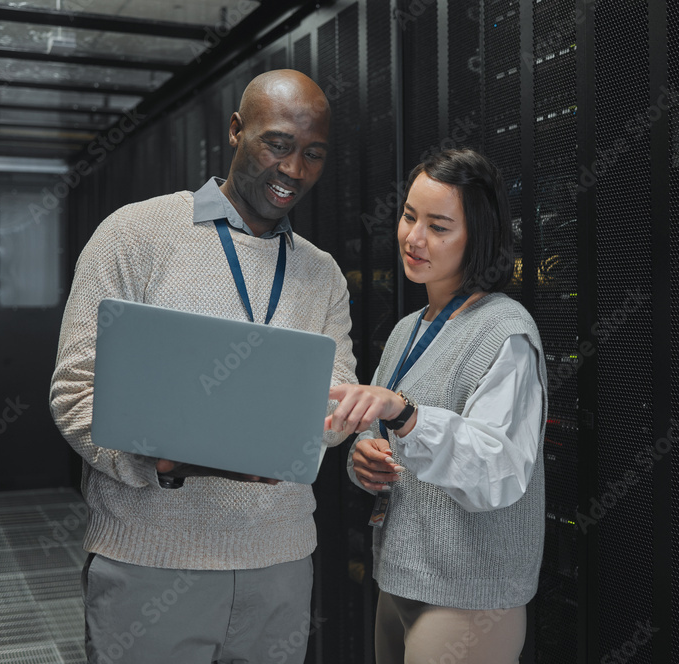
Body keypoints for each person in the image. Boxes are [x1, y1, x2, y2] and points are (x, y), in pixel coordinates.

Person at [49, 69, 357, 664]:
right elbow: (75, 390)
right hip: (150, 563)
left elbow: (337, 396)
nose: (294, 170)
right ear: (236, 131)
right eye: (278, 144)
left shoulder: (322, 273)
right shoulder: (134, 235)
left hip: (280, 564)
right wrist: (159, 460)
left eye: (313, 154)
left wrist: (324, 424)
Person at [327, 148, 547, 663]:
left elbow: (497, 471)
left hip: (470, 596)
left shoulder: (504, 331)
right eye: (409, 217)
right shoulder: (410, 327)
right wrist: (364, 460)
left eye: (439, 226)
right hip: (401, 573)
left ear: (479, 237)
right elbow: (377, 431)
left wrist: (405, 414)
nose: (413, 238)